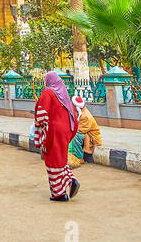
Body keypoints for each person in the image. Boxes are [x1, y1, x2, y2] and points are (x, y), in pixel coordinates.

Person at [33, 71, 79, 201]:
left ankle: (59, 193)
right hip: (65, 131)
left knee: (52, 161)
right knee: (60, 159)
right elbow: (73, 116)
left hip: (53, 131)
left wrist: (37, 109)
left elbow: (42, 116)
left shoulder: (48, 93)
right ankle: (70, 179)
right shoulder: (64, 95)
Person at [67, 95, 102, 169]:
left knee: (75, 136)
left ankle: (79, 157)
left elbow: (81, 130)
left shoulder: (85, 116)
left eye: (72, 105)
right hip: (85, 134)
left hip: (91, 138)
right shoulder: (79, 113)